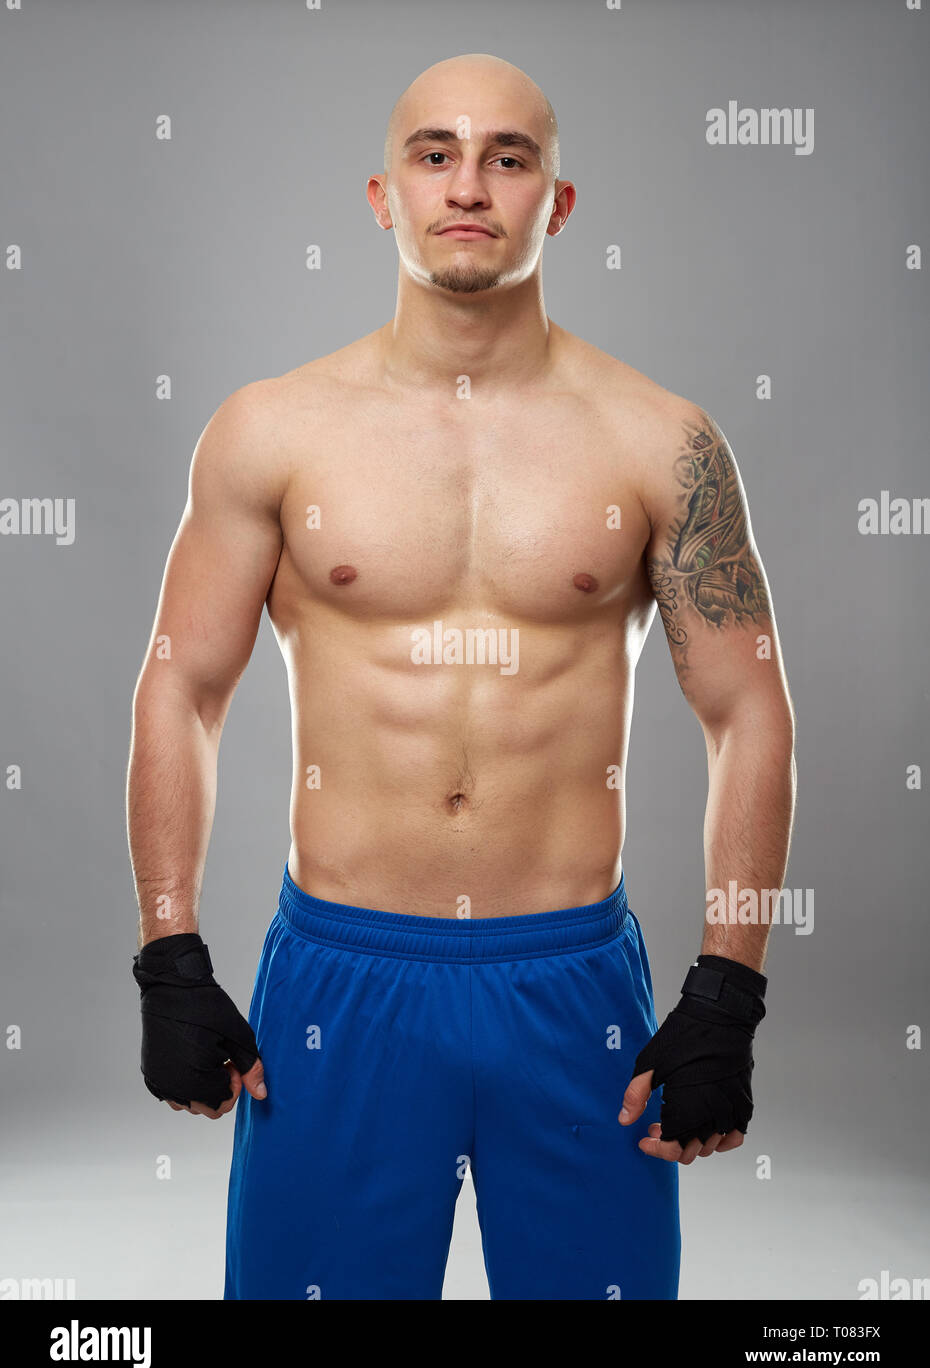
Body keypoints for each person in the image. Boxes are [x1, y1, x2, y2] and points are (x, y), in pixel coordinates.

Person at [127, 53, 796, 1301]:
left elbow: (748, 705)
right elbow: (181, 686)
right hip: (341, 976)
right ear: (383, 196)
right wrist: (169, 952)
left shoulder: (662, 440)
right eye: (434, 154)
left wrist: (729, 990)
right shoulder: (271, 432)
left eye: (508, 156)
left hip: (571, 982)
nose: (468, 184)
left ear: (561, 200)